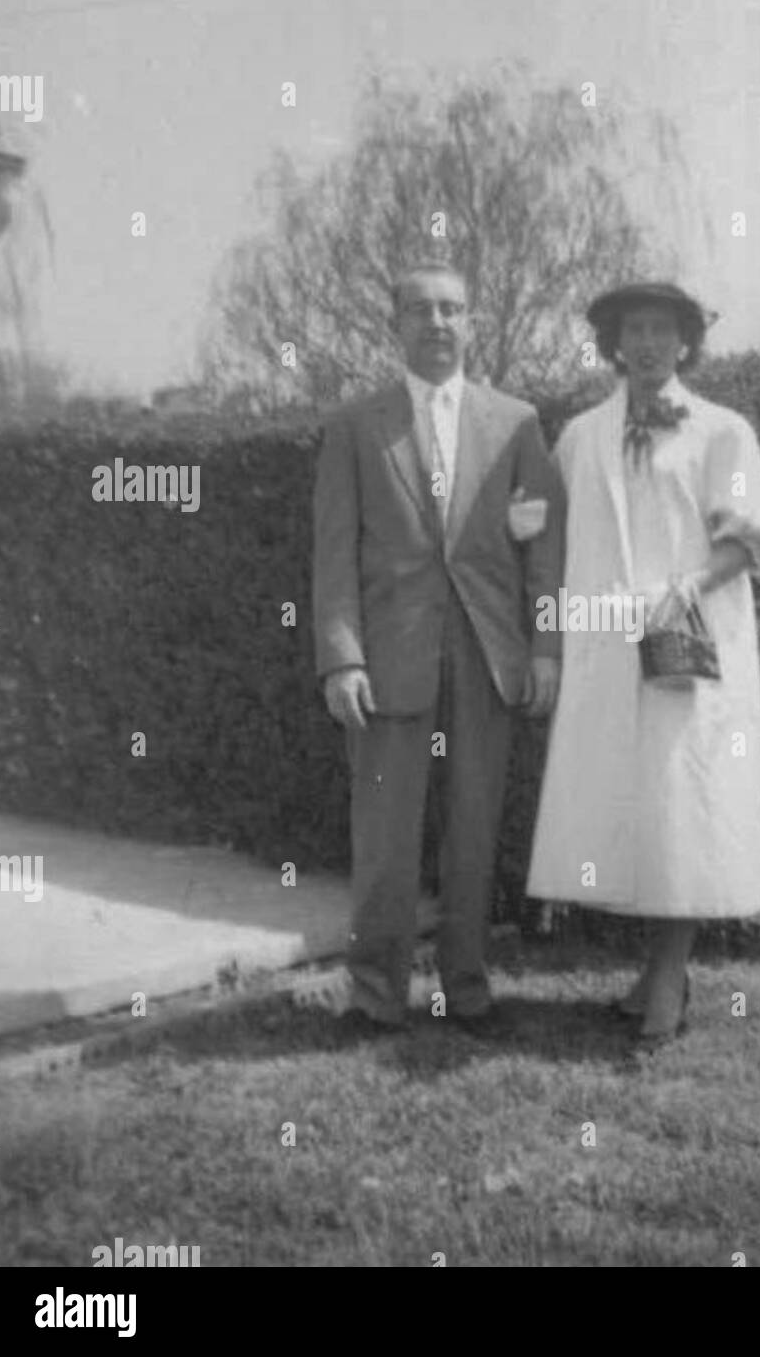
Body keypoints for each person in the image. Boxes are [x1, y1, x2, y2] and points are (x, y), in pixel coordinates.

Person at [526, 282, 760, 1046]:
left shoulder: (721, 431)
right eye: (632, 329)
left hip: (688, 644)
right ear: (612, 342)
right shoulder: (579, 435)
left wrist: (687, 588)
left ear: (685, 343)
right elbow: (549, 531)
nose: (645, 343)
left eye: (661, 330)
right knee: (630, 813)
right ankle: (653, 972)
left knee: (683, 811)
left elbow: (758, 540)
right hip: (606, 650)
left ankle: (669, 980)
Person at [312, 261, 565, 1032]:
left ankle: (467, 987)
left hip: (489, 654)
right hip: (390, 656)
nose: (437, 322)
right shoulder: (357, 425)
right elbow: (333, 553)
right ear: (395, 324)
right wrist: (341, 656)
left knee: (474, 824)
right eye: (420, 309)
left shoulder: (516, 422)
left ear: (472, 322)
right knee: (385, 833)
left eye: (451, 309)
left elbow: (545, 546)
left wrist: (545, 646)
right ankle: (375, 993)